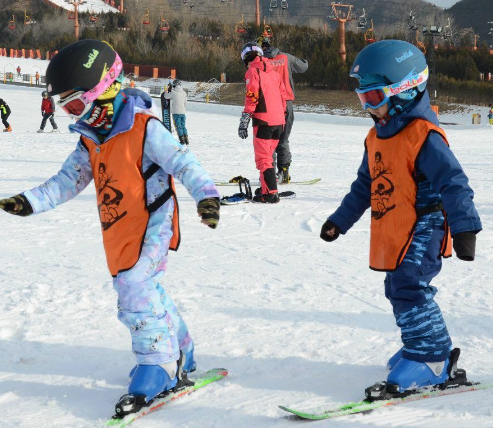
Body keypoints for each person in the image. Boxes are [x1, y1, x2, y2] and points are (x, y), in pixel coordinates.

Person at [0, 40, 221, 413]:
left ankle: (159, 365)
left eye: (73, 104)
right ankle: (182, 350)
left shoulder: (144, 128)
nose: (72, 114)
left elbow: (184, 162)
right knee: (147, 289)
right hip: (118, 228)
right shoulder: (91, 139)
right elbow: (67, 180)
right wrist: (30, 201)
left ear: (100, 90)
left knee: (134, 288)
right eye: (66, 108)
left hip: (153, 222)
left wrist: (207, 197)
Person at [320, 40, 481, 392]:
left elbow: (454, 182)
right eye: (363, 98)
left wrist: (466, 228)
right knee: (396, 287)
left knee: (410, 286)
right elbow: (365, 186)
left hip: (425, 225)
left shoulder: (423, 137)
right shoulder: (376, 137)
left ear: (405, 91)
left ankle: (432, 357)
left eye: (375, 98)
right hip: (395, 227)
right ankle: (418, 346)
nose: (368, 107)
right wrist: (339, 221)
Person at [238, 42, 287, 203]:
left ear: (246, 58)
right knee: (268, 156)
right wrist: (282, 118)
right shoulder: (274, 72)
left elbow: (252, 95)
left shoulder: (253, 71)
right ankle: (267, 187)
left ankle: (271, 193)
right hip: (278, 121)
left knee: (263, 159)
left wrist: (245, 119)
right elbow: (283, 97)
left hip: (263, 120)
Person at [260, 35, 308, 183]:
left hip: (268, 105)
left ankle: (270, 173)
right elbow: (303, 67)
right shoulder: (285, 58)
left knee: (269, 141)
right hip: (286, 103)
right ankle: (284, 171)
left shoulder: (260, 62)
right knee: (283, 139)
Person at [164, 79, 188, 145]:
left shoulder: (173, 92)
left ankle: (182, 140)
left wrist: (166, 91)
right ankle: (186, 139)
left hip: (176, 112)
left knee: (178, 126)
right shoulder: (184, 93)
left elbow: (166, 96)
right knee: (183, 126)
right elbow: (185, 102)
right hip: (183, 112)